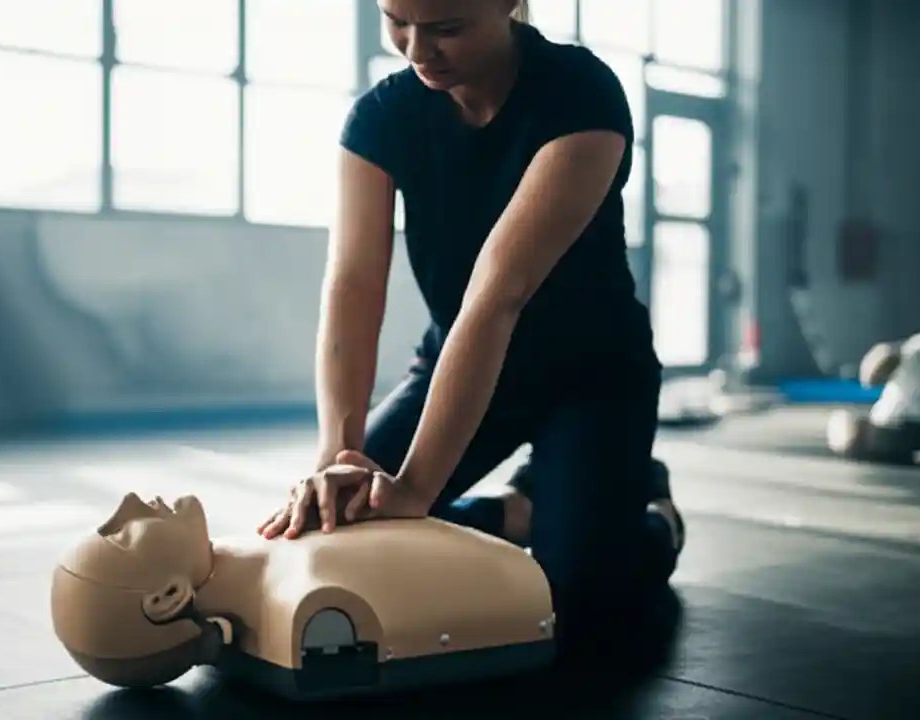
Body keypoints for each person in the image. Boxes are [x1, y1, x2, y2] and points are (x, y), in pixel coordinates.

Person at [256, 0, 685, 652]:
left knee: (572, 599)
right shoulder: (382, 117)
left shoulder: (580, 92)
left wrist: (416, 490)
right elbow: (353, 288)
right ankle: (519, 511)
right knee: (335, 524)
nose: (416, 49)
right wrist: (335, 460)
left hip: (593, 377)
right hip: (454, 364)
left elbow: (497, 295)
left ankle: (652, 515)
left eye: (446, 28)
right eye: (396, 20)